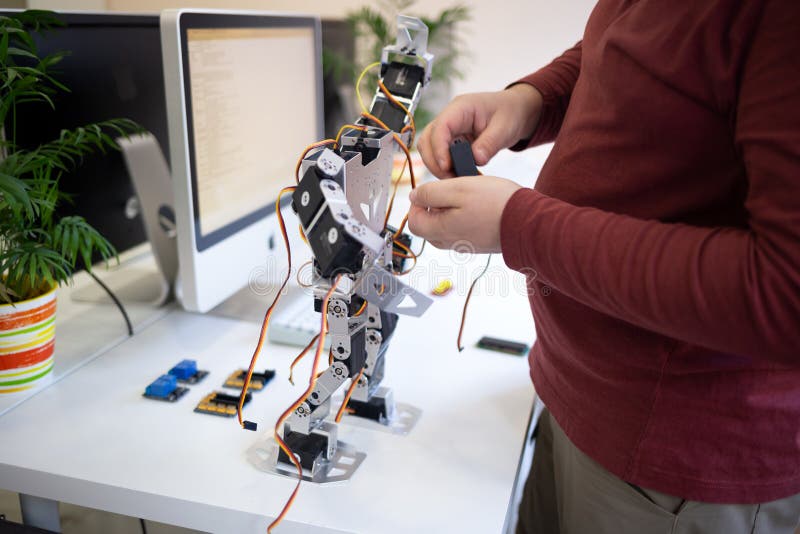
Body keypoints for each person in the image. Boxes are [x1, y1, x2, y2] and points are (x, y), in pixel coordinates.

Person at [408, 1, 800, 532]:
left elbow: (783, 294)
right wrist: (529, 101)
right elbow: (629, 47)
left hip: (676, 472)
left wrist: (520, 227)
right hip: (573, 399)